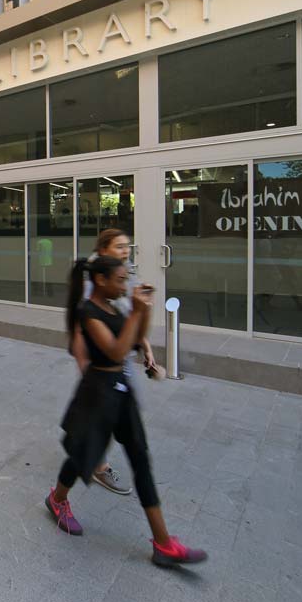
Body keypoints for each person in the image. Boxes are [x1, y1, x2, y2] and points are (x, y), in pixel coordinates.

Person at [43, 253, 206, 567]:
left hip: (121, 393)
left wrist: (142, 309)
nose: (124, 284)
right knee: (82, 457)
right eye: (119, 280)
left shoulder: (112, 306)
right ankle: (58, 498)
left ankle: (163, 543)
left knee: (140, 460)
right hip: (97, 395)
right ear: (100, 281)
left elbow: (132, 341)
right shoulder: (87, 312)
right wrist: (133, 311)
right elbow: (115, 351)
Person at [67, 229, 161, 497]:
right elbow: (80, 328)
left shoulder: (120, 273)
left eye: (127, 246)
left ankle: (88, 459)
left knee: (112, 420)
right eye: (120, 246)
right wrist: (86, 367)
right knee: (106, 420)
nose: (126, 250)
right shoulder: (93, 284)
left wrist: (145, 346)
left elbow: (126, 316)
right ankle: (93, 465)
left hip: (118, 362)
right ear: (104, 248)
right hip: (104, 366)